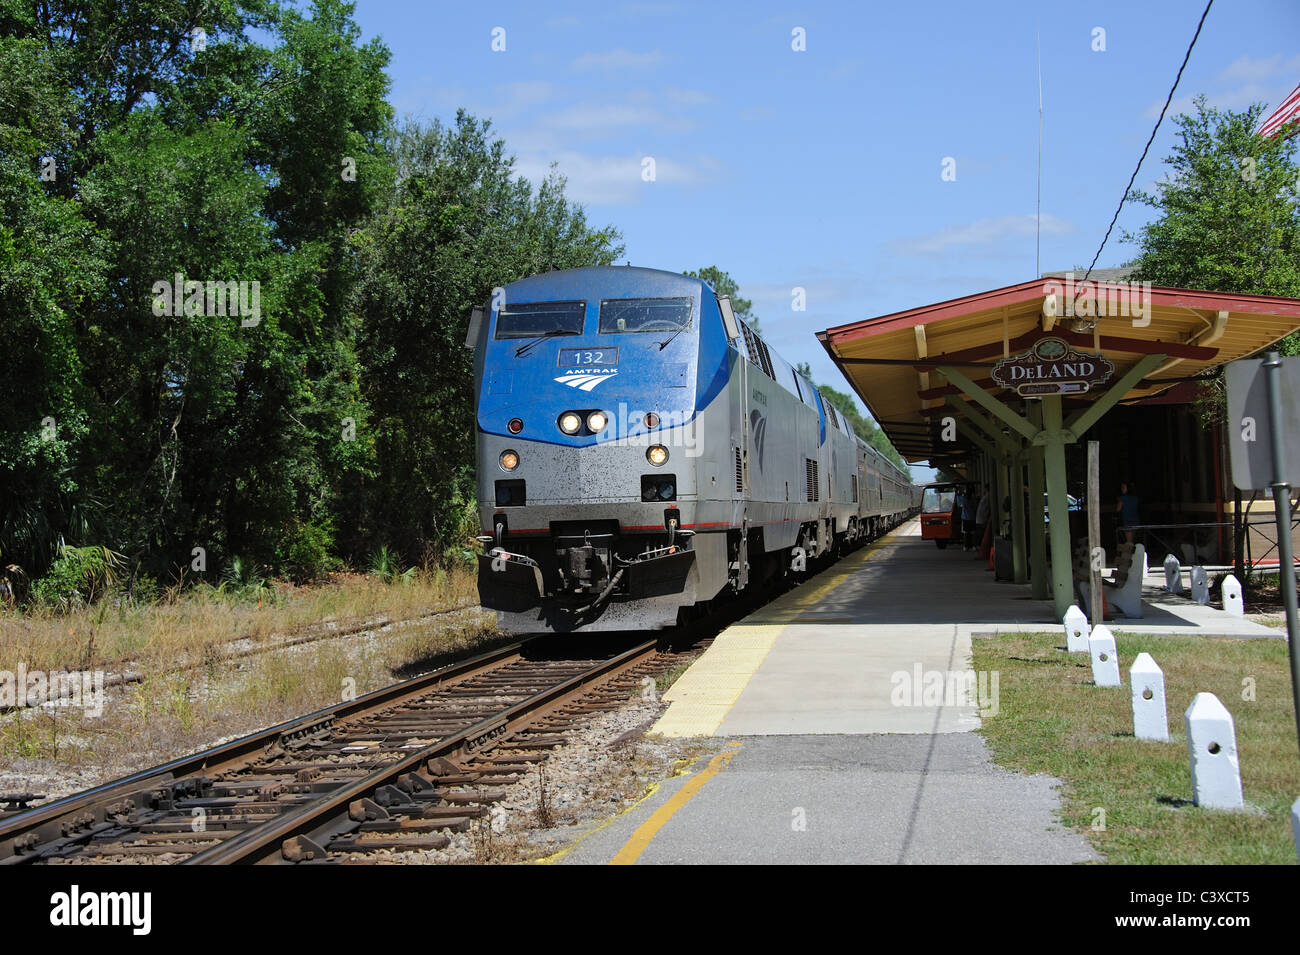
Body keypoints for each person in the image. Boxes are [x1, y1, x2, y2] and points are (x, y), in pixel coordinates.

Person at [974, 484, 991, 558]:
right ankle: (980, 547)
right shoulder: (988, 496)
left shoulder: (986, 497)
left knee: (980, 534)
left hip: (981, 518)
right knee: (981, 534)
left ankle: (980, 547)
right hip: (982, 518)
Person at [960, 486, 977, 551]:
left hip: (965, 518)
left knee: (966, 533)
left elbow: (960, 502)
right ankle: (974, 546)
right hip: (972, 518)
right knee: (973, 533)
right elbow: (975, 507)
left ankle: (965, 546)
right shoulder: (973, 499)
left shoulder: (964, 499)